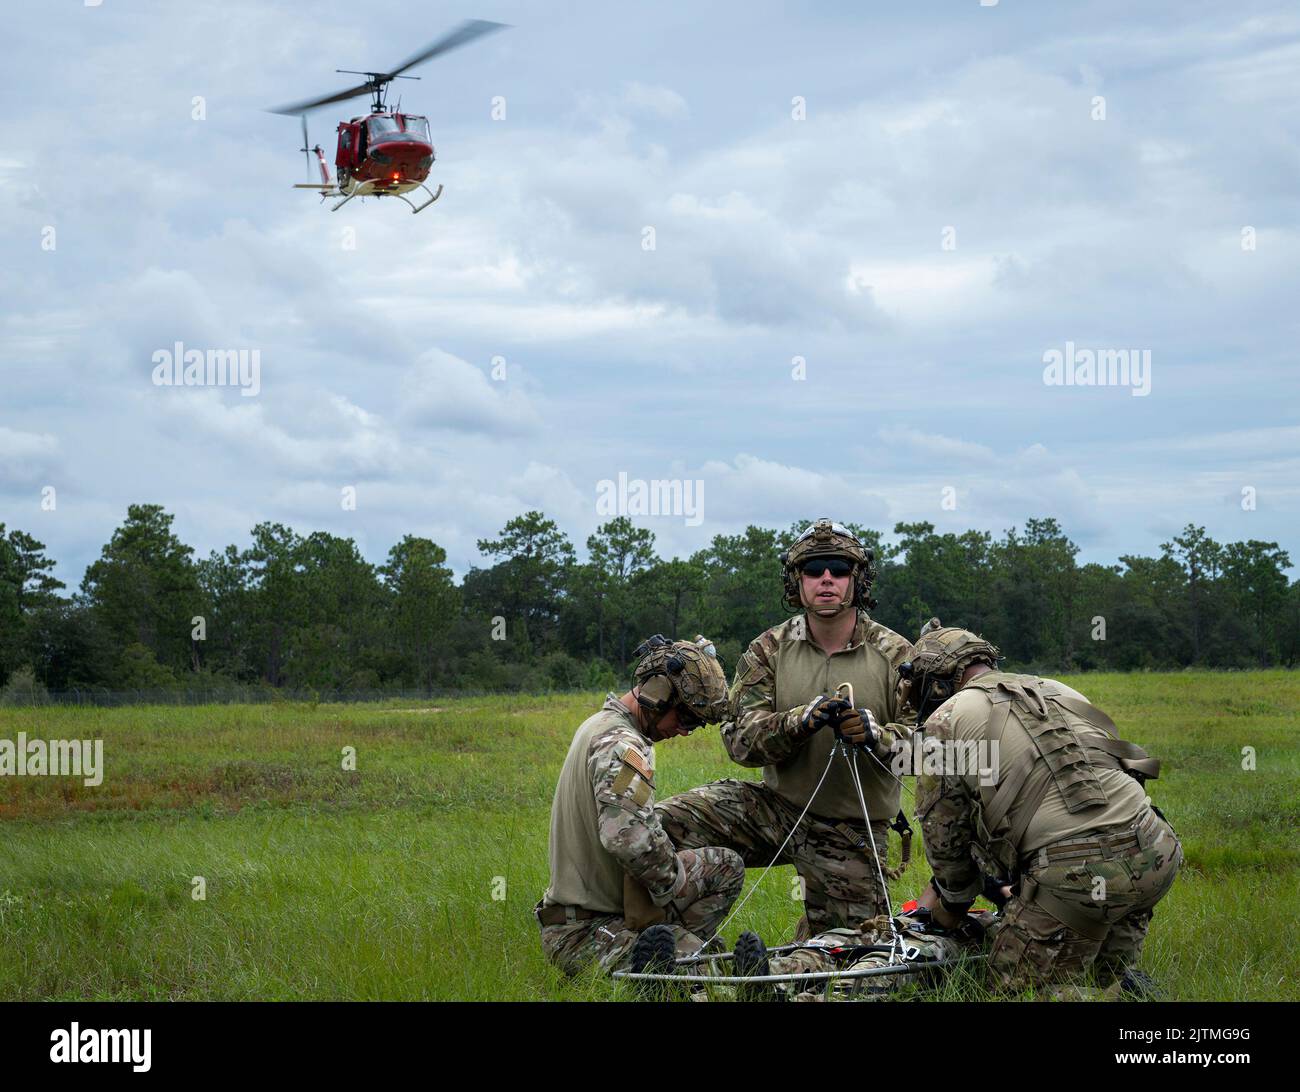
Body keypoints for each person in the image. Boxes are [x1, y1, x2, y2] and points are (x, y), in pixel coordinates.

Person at [658, 519, 915, 933]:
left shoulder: (897, 654)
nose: (826, 579)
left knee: (850, 950)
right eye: (814, 570)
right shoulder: (768, 649)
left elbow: (929, 748)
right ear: (797, 582)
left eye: (838, 569)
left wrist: (877, 736)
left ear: (858, 579)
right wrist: (800, 722)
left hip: (849, 829)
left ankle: (785, 963)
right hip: (774, 810)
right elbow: (740, 741)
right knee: (661, 825)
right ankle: (667, 940)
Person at [910, 623, 1181, 994]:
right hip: (1155, 849)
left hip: (1079, 874)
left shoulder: (945, 719)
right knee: (1105, 981)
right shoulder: (1056, 688)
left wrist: (950, 908)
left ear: (935, 684)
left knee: (1011, 987)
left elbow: (945, 837)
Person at [535, 635, 745, 976]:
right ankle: (673, 958)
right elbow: (627, 838)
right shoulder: (623, 744)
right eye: (687, 718)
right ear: (659, 694)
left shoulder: (600, 727)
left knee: (726, 867)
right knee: (713, 978)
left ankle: (675, 947)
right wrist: (669, 889)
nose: (685, 731)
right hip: (586, 934)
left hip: (591, 921)